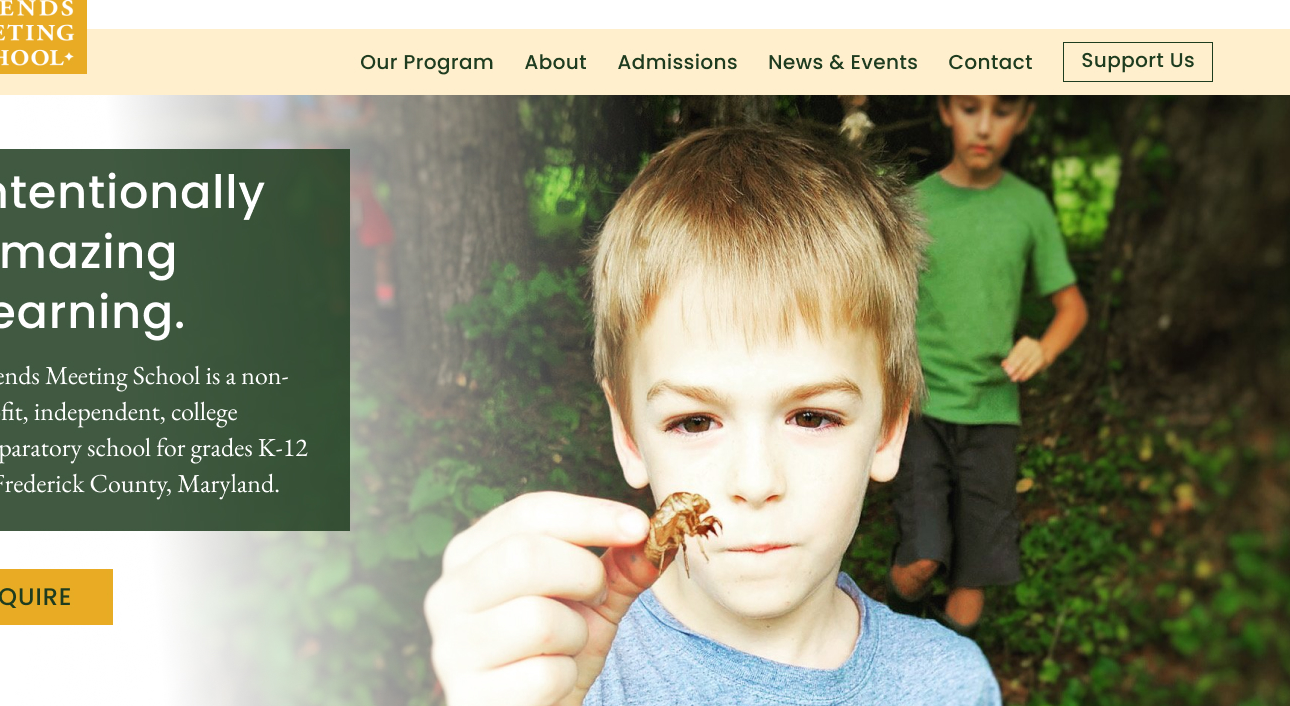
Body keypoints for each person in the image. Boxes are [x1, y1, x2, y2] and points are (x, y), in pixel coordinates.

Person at [424, 126, 1001, 705]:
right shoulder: (565, 672)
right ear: (627, 433)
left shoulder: (953, 683)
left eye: (812, 417)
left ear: (889, 430)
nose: (754, 483)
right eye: (694, 422)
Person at [887, 96, 1088, 637]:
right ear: (946, 110)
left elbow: (1072, 307)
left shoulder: (1028, 208)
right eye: (970, 108)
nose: (983, 126)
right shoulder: (913, 204)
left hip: (994, 415)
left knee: (971, 579)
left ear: (1022, 120)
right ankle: (900, 641)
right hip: (921, 409)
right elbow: (876, 301)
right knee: (921, 561)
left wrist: (1043, 347)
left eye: (1001, 112)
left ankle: (947, 677)